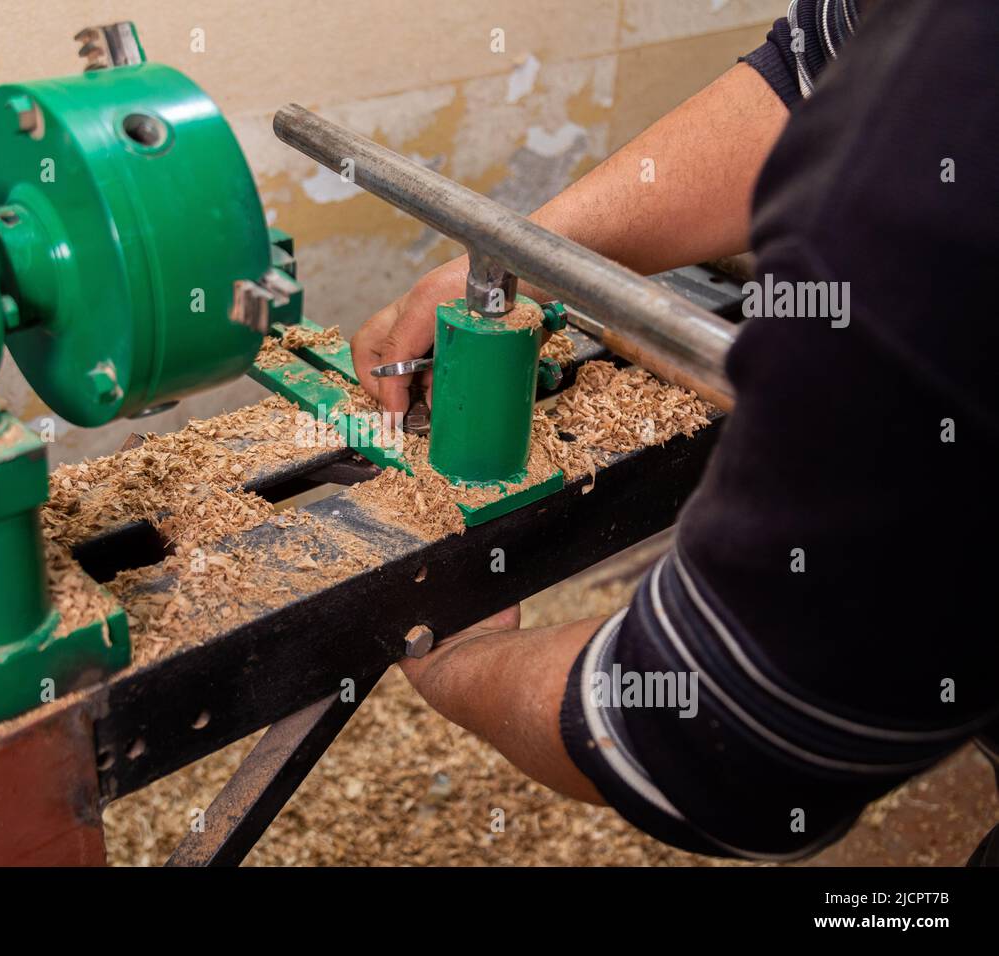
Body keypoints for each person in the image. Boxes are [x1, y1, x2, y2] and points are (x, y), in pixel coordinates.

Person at [351, 0, 999, 861]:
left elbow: (725, 736)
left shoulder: (943, 189)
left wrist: (460, 665)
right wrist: (528, 255)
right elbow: (808, 70)